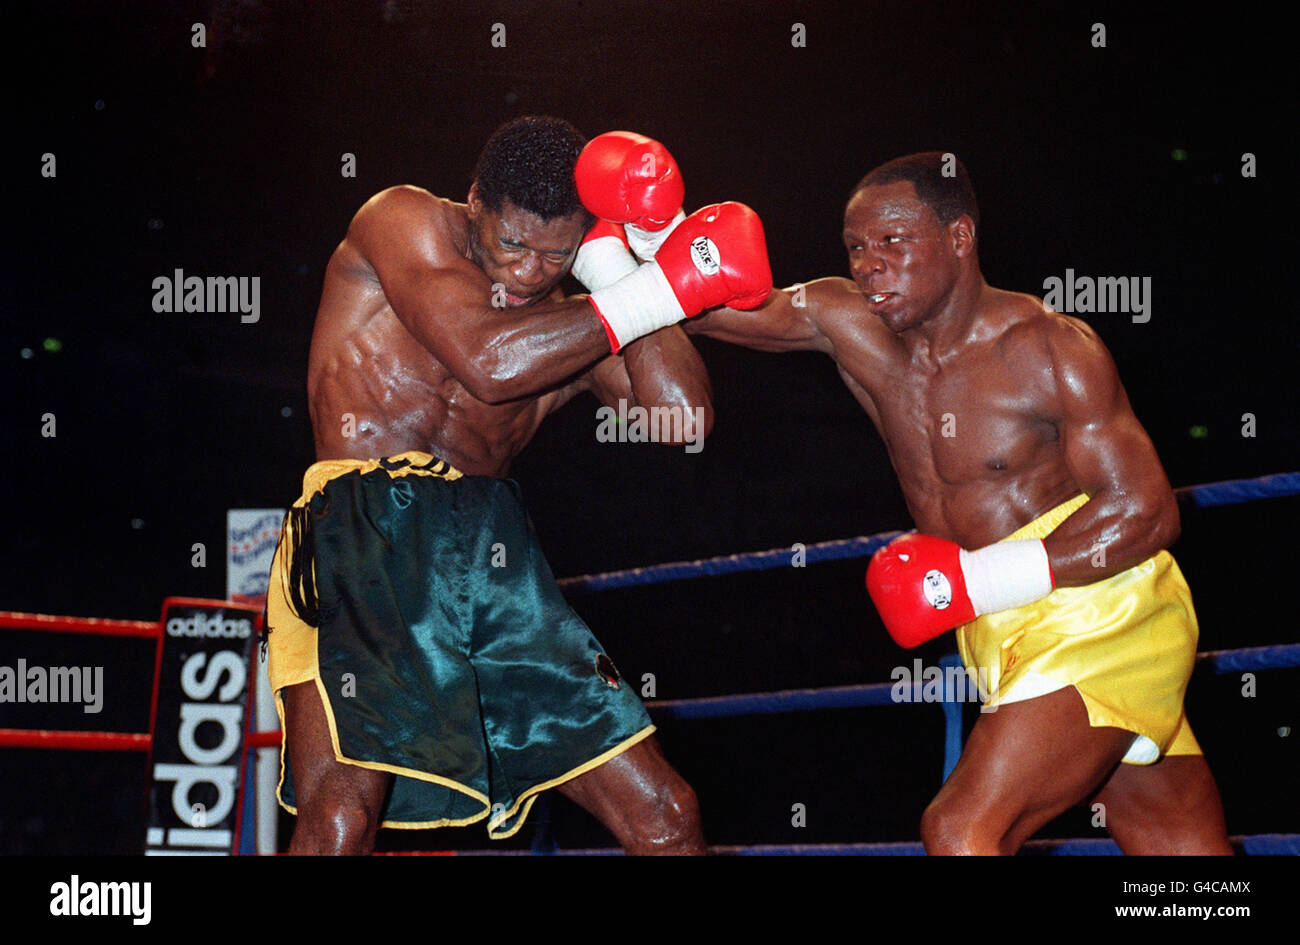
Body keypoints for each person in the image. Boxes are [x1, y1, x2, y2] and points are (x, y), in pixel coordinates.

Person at [687, 152, 1232, 855]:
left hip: (1100, 610)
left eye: (893, 241)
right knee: (1183, 856)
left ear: (959, 238)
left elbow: (1149, 512)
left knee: (962, 828)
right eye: (856, 247)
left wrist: (972, 582)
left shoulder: (1047, 347)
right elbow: (705, 302)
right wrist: (626, 251)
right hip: (994, 629)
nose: (870, 265)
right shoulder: (848, 323)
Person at [264, 116, 771, 855]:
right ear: (475, 202)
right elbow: (488, 362)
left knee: (666, 815)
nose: (530, 271)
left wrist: (616, 267)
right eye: (512, 243)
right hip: (363, 525)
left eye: (556, 252)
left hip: (491, 553)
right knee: (342, 816)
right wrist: (663, 290)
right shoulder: (402, 220)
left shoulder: (574, 313)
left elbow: (680, 419)